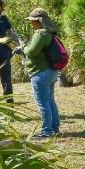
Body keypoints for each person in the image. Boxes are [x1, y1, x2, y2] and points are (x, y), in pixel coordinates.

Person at [20, 8, 62, 139]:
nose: (31, 24)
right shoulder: (50, 32)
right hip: (51, 72)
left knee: (43, 102)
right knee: (50, 100)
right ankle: (54, 128)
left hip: (40, 72)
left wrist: (23, 48)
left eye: (32, 21)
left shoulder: (41, 33)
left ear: (38, 21)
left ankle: (46, 131)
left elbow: (32, 52)